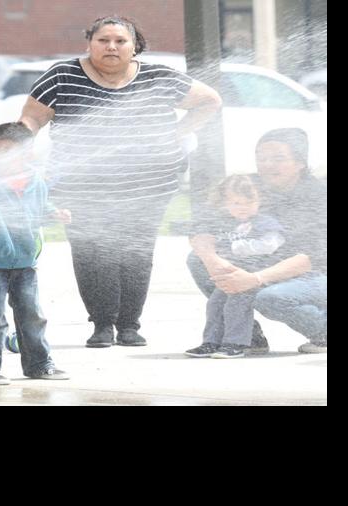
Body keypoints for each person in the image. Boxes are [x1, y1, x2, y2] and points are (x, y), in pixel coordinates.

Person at [19, 15, 222, 348]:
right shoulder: (62, 76)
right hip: (80, 189)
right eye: (103, 40)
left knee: (136, 254)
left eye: (120, 41)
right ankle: (101, 324)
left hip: (146, 190)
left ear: (134, 46)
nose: (111, 46)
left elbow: (209, 100)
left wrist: (176, 134)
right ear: (90, 43)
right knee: (90, 254)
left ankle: (129, 325)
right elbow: (32, 117)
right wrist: (17, 147)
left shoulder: (158, 77)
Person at [187, 128, 326, 354]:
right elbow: (201, 226)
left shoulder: (318, 196)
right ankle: (243, 335)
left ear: (300, 162)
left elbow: (313, 257)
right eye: (261, 158)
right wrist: (213, 261)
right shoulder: (248, 186)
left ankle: (324, 334)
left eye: (278, 158)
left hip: (315, 275)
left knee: (271, 298)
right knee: (197, 259)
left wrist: (255, 278)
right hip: (264, 266)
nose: (267, 165)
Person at [0, 123, 71, 384]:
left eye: (5, 151)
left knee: (32, 313)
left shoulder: (37, 182)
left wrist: (53, 213)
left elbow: (41, 208)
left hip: (24, 259)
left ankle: (39, 363)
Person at [185, 175, 285, 359]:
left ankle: (235, 343)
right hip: (231, 276)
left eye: (249, 202)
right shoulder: (224, 222)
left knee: (236, 305)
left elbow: (272, 244)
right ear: (225, 202)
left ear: (260, 200)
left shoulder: (264, 222)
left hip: (253, 276)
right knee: (215, 304)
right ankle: (211, 342)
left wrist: (237, 248)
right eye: (236, 203)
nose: (243, 207)